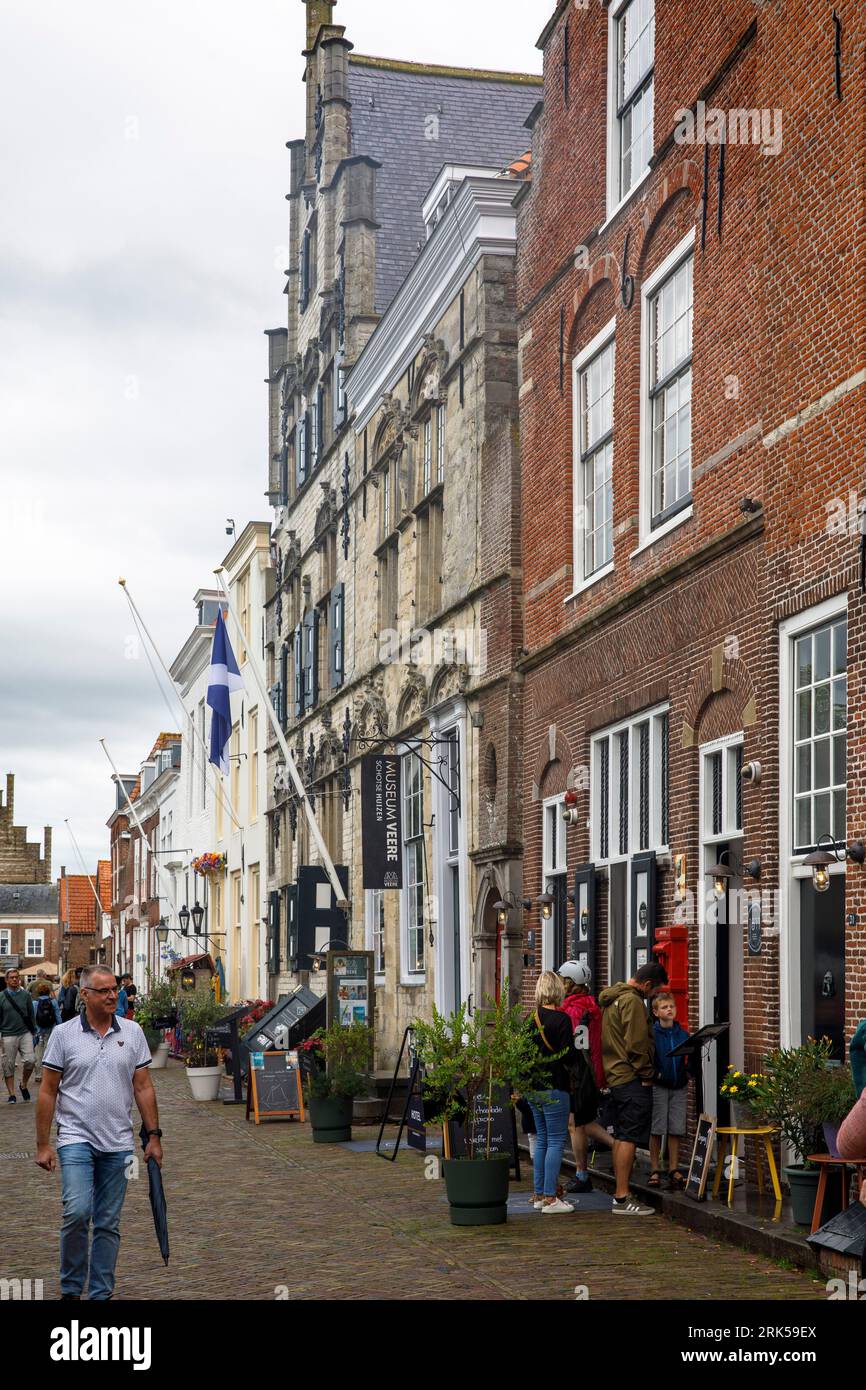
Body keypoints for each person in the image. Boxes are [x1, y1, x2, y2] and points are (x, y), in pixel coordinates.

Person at [35, 964, 163, 1301]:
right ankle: (71, 1287)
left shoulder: (132, 1032)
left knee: (108, 1221)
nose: (112, 995)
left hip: (119, 1142)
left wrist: (154, 1136)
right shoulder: (64, 1035)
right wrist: (43, 1144)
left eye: (115, 989)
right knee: (77, 1211)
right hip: (75, 1137)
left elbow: (143, 1087)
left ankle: (100, 1293)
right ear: (85, 995)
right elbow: (48, 1090)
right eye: (104, 990)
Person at [599, 960, 669, 1215]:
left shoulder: (613, 998)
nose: (653, 997)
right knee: (629, 1137)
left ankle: (620, 1193)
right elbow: (637, 1043)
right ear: (647, 985)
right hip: (631, 1078)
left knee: (621, 1135)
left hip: (616, 1075)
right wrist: (647, 1073)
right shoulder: (633, 1002)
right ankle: (622, 1196)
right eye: (654, 992)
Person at [557, 960, 613, 1193]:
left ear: (570, 983)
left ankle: (583, 1172)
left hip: (577, 1074)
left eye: (562, 980)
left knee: (575, 1123)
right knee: (580, 1123)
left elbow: (570, 1045)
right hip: (591, 1072)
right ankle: (584, 1171)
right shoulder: (591, 1007)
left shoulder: (571, 1010)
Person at [527, 970, 577, 1214]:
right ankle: (550, 1198)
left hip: (534, 1089)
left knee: (543, 1140)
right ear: (558, 991)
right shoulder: (562, 1020)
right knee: (556, 1140)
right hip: (556, 1087)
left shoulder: (530, 1019)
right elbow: (569, 1055)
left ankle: (538, 1193)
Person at [647, 991, 690, 1190]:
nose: (669, 1010)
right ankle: (655, 1168)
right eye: (664, 1007)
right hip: (659, 1085)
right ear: (656, 1012)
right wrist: (657, 1076)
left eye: (671, 1006)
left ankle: (673, 1168)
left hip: (679, 1085)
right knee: (657, 1128)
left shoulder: (683, 1034)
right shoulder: (652, 1035)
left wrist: (687, 1073)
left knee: (676, 1128)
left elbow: (690, 1056)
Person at [1, 967, 37, 1102]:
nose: (15, 979)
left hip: (25, 1033)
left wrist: (34, 1030)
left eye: (17, 977)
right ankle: (12, 1094)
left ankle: (23, 1084)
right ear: (6, 980)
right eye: (12, 977)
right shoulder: (1, 997)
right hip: (7, 1034)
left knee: (31, 1060)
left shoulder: (26, 995)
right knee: (8, 1065)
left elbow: (31, 1014)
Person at [33, 980, 62, 1083]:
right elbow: (58, 1015)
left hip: (38, 1030)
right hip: (51, 1029)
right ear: (48, 991)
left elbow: (33, 1018)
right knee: (48, 1050)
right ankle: (47, 1073)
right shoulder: (53, 1001)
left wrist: (33, 1029)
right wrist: (60, 1027)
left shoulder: (35, 1003)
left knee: (38, 1051)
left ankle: (38, 1074)